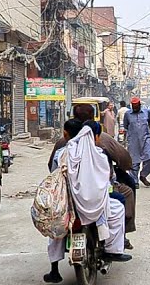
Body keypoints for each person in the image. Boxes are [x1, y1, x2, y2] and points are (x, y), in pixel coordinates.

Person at [44, 119, 131, 283]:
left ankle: (54, 269)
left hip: (69, 205)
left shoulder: (62, 153)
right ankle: (113, 249)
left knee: (55, 226)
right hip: (94, 207)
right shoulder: (100, 156)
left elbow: (54, 174)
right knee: (118, 209)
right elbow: (109, 179)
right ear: (95, 136)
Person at [53, 104, 137, 245]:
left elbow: (52, 167)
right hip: (94, 194)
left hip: (68, 192)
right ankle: (122, 235)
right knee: (127, 189)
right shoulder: (101, 138)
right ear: (93, 118)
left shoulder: (64, 142)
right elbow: (124, 161)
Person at [124, 97, 150, 188]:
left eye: (136, 106)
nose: (135, 107)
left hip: (146, 139)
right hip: (133, 140)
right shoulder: (127, 114)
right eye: (133, 106)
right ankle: (134, 181)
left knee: (149, 158)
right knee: (134, 162)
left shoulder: (146, 112)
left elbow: (149, 123)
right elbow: (126, 126)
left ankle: (143, 175)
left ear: (139, 105)